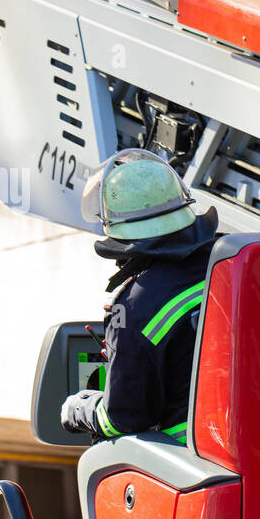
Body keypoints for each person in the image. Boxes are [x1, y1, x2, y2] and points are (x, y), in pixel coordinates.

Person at [59, 149, 218, 519]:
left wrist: (84, 409)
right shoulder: (230, 267)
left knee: (102, 464)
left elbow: (126, 415)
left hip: (185, 469)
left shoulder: (141, 303)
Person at [60, 149, 219, 446]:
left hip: (195, 464)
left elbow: (123, 418)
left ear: (118, 234)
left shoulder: (135, 308)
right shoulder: (236, 261)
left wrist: (79, 407)